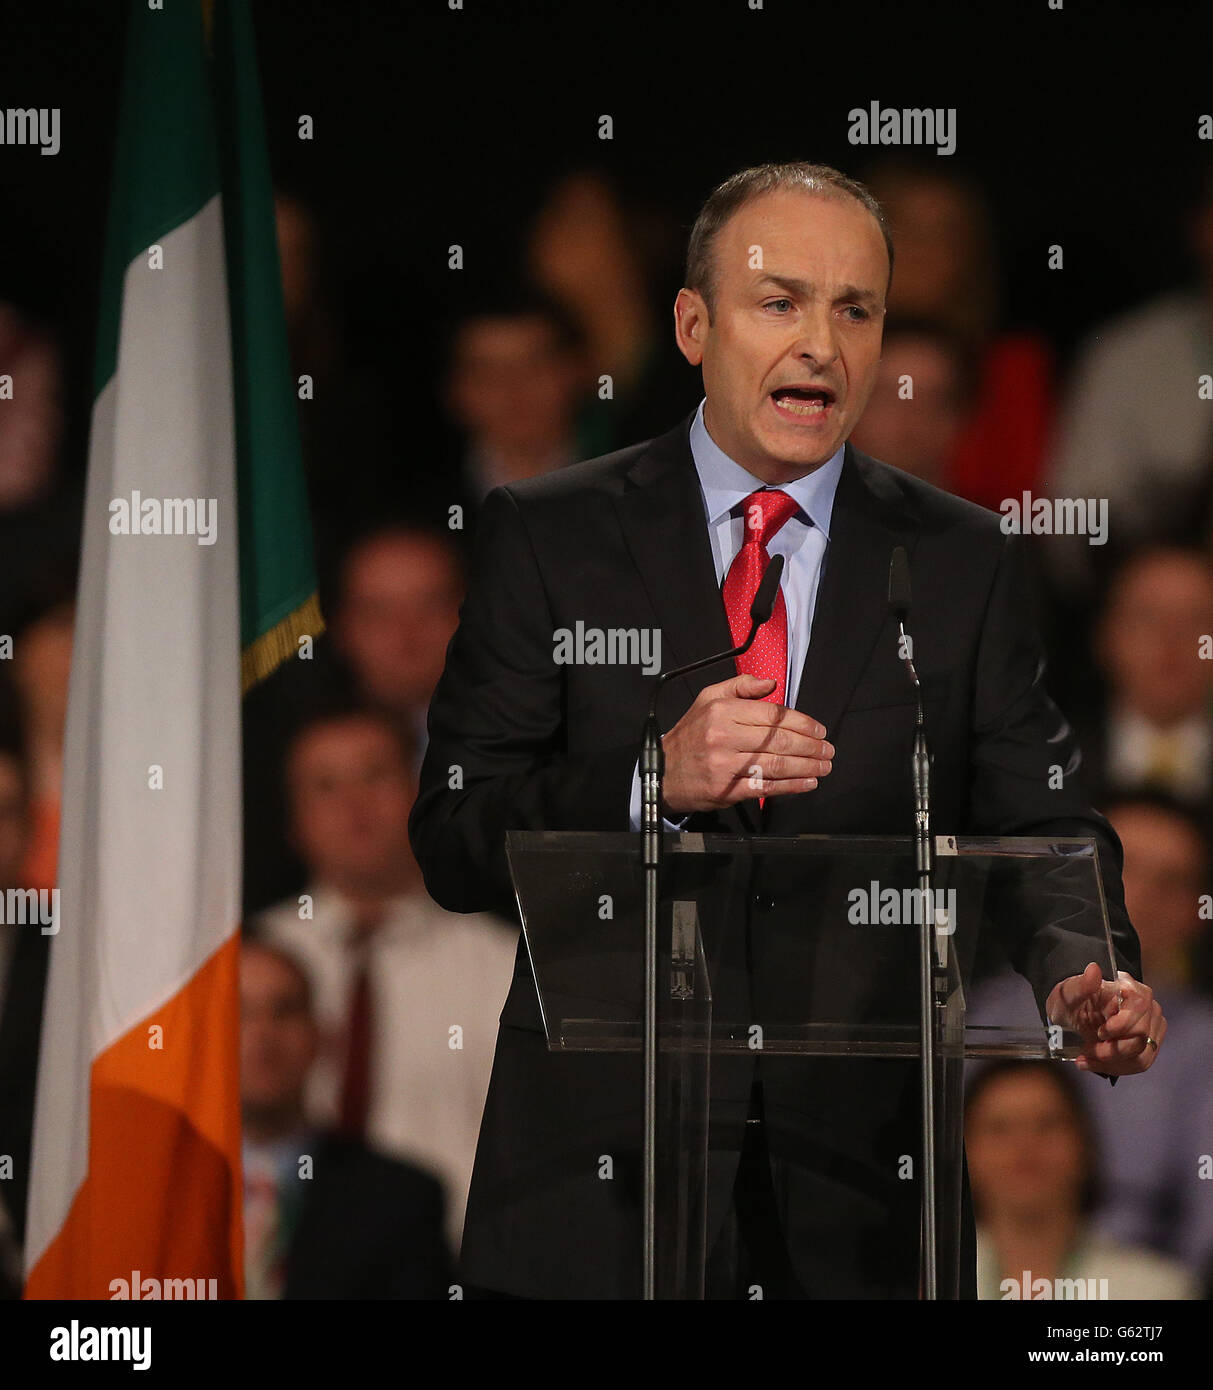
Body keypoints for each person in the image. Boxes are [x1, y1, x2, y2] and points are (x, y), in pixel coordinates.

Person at [409, 161, 1163, 1300]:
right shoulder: (551, 536)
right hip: (599, 1195)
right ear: (694, 324)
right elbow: (456, 837)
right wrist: (650, 778)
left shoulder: (957, 559)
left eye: (855, 309)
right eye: (781, 301)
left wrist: (1083, 969)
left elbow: (1041, 816)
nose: (823, 342)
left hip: (855, 1201)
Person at [252, 706, 516, 1248]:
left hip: (451, 1268)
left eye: (375, 776)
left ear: (420, 795)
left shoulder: (501, 963)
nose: (355, 806)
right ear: (293, 821)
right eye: (326, 786)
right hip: (284, 1269)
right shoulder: (252, 964)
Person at [970, 794, 1213, 1274]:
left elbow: (1205, 1228)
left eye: (1171, 881)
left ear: (1196, 911)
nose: (1141, 895)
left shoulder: (1206, 1046)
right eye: (1126, 868)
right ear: (1075, 880)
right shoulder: (983, 1011)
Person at [240, 938, 452, 1299]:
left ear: (321, 1037)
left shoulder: (401, 1200)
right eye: (239, 1013)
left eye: (285, 1010)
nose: (264, 1034)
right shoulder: (156, 1188)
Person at [966, 1061, 1196, 1300]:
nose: (1025, 1145)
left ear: (1085, 1145)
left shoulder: (1157, 1290)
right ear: (964, 1150)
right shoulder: (929, 1283)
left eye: (1047, 1124)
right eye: (999, 1129)